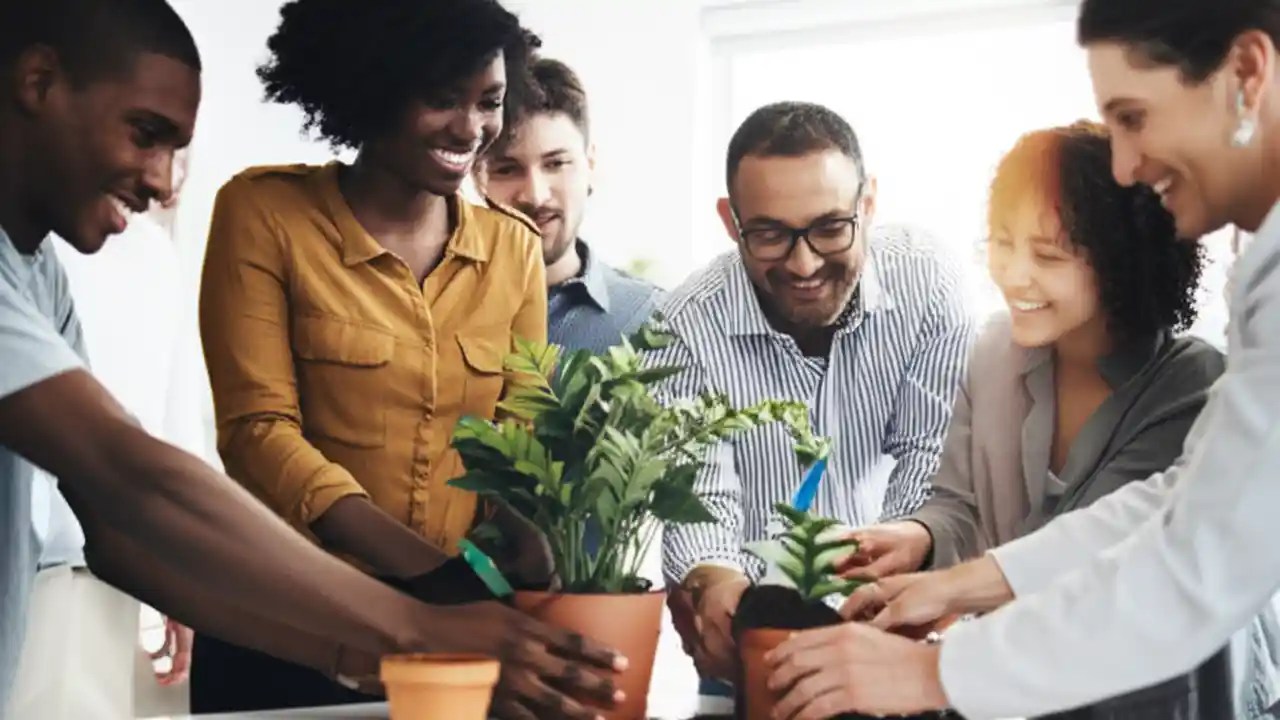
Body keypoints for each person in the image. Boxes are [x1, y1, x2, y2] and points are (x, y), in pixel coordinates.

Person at [0, 1, 623, 718]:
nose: (165, 183)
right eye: (147, 135)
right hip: (344, 610)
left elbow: (115, 537)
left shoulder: (38, 273)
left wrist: (388, 646)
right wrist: (419, 616)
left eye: (488, 102)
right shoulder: (267, 214)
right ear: (38, 81)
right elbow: (138, 468)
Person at [764, 1, 1280, 718]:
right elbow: (1179, 506)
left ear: (1247, 72)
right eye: (1002, 245)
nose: (1128, 164)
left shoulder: (1197, 369)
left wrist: (931, 671)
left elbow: (1180, 560)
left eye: (1133, 117)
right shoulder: (997, 353)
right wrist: (952, 575)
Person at [194, 0, 595, 713]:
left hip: (451, 636)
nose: (472, 128)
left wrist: (528, 548)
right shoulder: (265, 216)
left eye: (489, 102)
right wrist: (432, 577)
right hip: (283, 621)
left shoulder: (511, 249)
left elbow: (513, 442)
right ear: (371, 89)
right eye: (442, 99)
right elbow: (257, 433)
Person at [831, 121, 1257, 718]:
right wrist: (917, 540)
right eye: (1001, 243)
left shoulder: (1190, 386)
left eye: (1048, 255)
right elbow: (962, 509)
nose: (1012, 274)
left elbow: (1094, 561)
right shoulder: (993, 353)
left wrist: (941, 606)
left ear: (1121, 263)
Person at [650, 101, 974, 692]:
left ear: (868, 204)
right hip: (754, 646)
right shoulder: (683, 326)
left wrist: (903, 570)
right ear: (731, 221)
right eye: (769, 234)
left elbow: (935, 457)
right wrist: (714, 583)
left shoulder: (928, 283)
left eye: (830, 228)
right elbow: (698, 502)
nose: (804, 264)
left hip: (891, 635)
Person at [475, 56, 663, 358]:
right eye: (507, 169)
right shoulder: (441, 309)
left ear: (589, 164)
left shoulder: (653, 319)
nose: (535, 196)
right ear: (476, 176)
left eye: (556, 163)